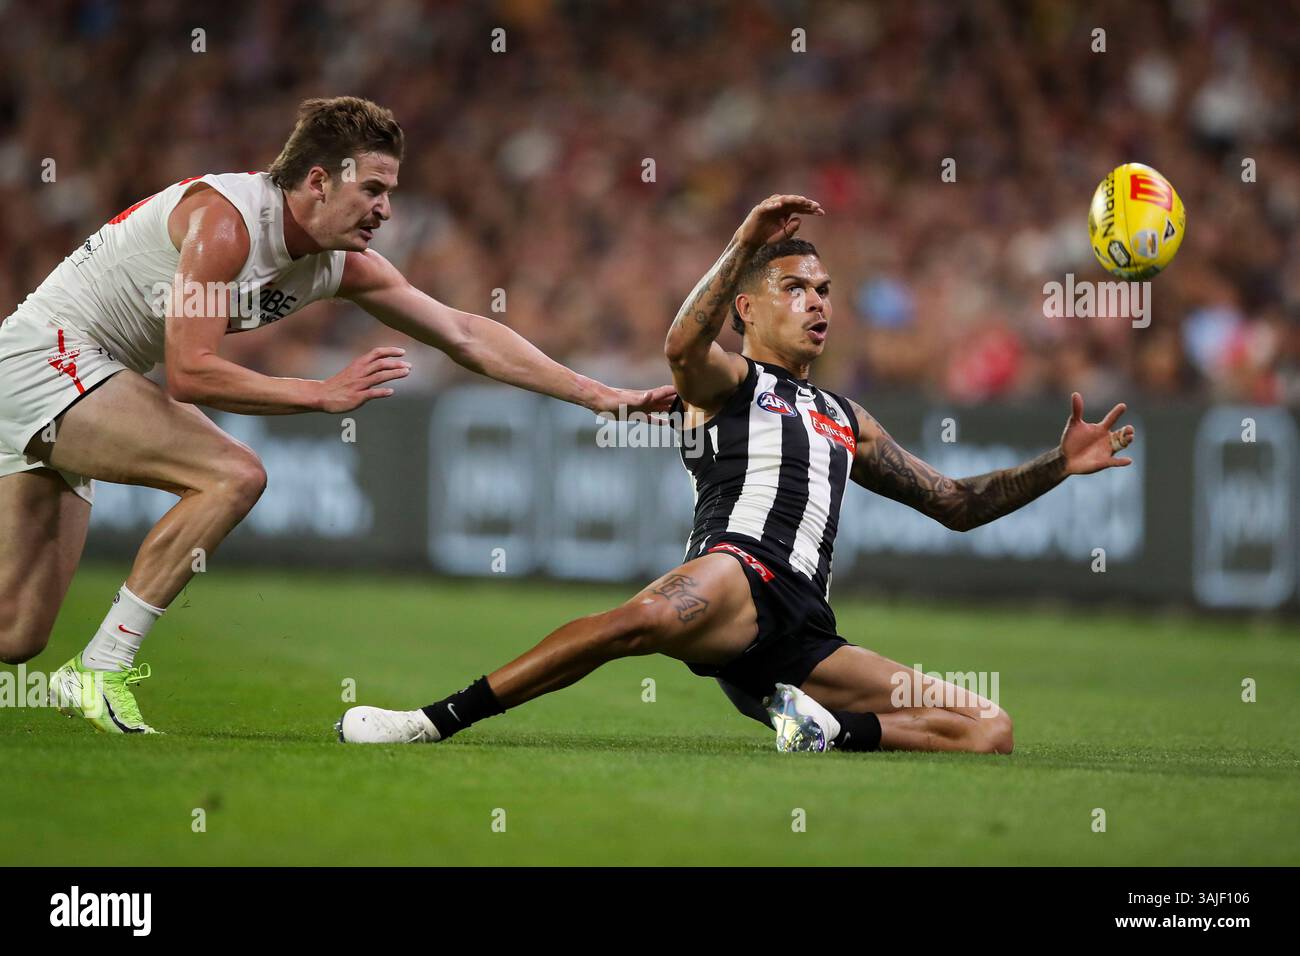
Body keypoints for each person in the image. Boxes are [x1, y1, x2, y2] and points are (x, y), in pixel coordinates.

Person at [337, 194, 1136, 753]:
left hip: (805, 635)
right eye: (795, 289)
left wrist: (1059, 465)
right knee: (633, 623)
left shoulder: (845, 417)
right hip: (735, 578)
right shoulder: (727, 380)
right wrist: (743, 244)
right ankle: (430, 720)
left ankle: (822, 731)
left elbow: (957, 504)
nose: (818, 302)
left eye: (825, 291)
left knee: (987, 729)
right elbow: (681, 345)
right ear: (748, 309)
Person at [0, 96, 672, 734]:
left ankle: (82, 668)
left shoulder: (337, 263)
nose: (385, 209)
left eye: (391, 193)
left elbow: (464, 333)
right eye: (373, 189)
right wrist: (320, 393)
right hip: (47, 360)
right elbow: (189, 372)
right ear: (318, 180)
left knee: (16, 633)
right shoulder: (228, 223)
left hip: (74, 379)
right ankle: (101, 667)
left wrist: (597, 394)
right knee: (232, 475)